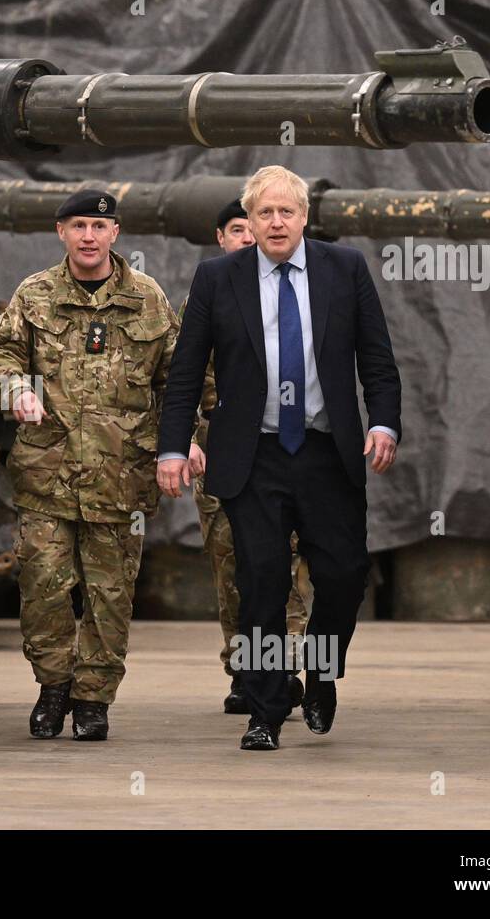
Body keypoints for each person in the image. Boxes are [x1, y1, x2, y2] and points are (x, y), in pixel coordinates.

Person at [157, 166, 401, 751]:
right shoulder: (219, 279)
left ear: (304, 217)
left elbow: (376, 356)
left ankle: (321, 671)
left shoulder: (345, 270)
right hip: (253, 455)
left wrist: (385, 423)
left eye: (285, 212)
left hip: (326, 452)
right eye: (262, 213)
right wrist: (171, 445)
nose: (274, 222)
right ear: (250, 221)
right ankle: (264, 708)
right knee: (261, 581)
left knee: (343, 577)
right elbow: (186, 370)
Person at [0, 188, 177, 741]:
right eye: (78, 225)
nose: (89, 236)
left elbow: (180, 379)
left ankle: (94, 699)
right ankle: (54, 685)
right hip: (48, 470)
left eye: (99, 225)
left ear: (116, 234)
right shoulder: (35, 295)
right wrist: (14, 386)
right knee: (42, 584)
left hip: (121, 474)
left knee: (111, 593)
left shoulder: (148, 300)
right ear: (60, 232)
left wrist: (185, 443)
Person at [187, 199, 311, 716]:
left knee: (293, 571)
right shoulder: (210, 294)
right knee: (235, 571)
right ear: (222, 237)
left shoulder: (301, 289)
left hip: (292, 453)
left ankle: (284, 667)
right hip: (226, 459)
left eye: (254, 225)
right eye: (238, 228)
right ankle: (245, 669)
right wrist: (189, 440)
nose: (248, 236)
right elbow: (179, 377)